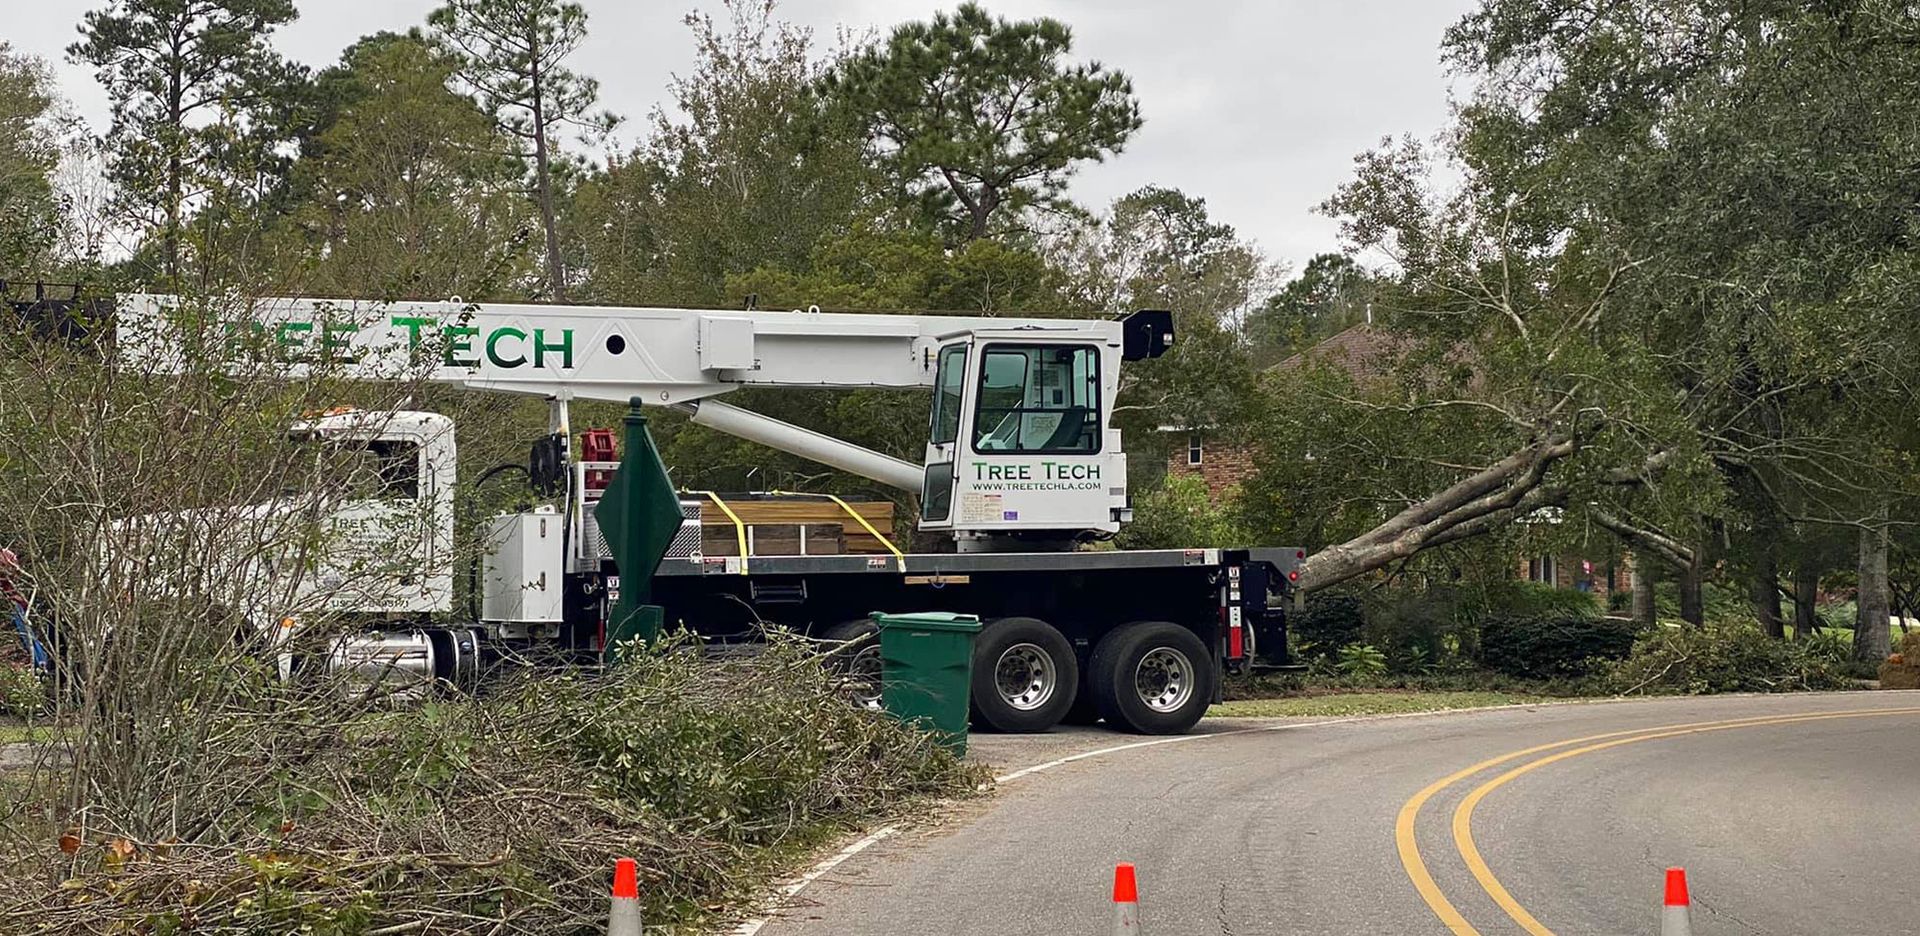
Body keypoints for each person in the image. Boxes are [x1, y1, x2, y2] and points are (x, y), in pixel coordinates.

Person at [0, 547, 48, 671]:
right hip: (8, 602)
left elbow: (14, 574)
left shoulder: (8, 555)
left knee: (26, 632)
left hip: (12, 601)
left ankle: (41, 662)